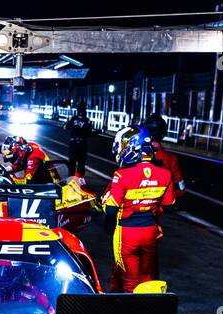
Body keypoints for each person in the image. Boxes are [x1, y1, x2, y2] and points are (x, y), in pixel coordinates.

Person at [100, 134, 176, 292]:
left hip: (126, 234)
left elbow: (111, 209)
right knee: (147, 277)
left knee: (129, 282)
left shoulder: (122, 175)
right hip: (150, 232)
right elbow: (169, 206)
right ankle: (147, 313)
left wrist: (103, 205)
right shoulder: (165, 174)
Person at [142, 113, 185, 203]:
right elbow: (180, 187)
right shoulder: (171, 158)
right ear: (163, 134)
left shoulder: (134, 154)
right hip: (160, 205)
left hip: (134, 206)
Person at [64, 101, 92, 180]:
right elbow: (89, 133)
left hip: (73, 143)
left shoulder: (73, 118)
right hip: (82, 144)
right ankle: (80, 181)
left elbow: (66, 127)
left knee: (72, 163)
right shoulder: (87, 120)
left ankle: (70, 180)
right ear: (85, 110)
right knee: (81, 164)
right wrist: (99, 131)